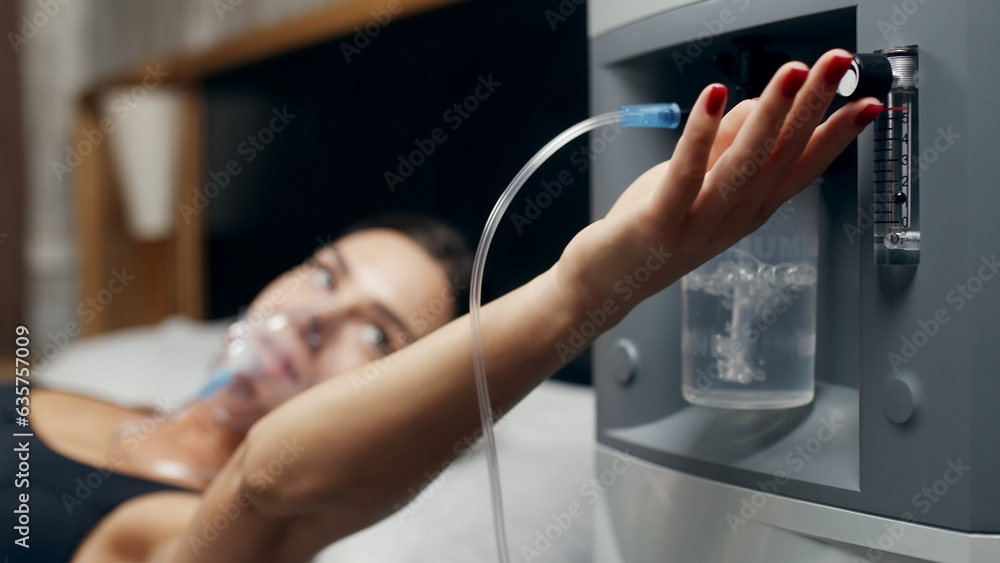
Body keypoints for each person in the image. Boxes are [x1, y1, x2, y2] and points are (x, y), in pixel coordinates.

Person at [4, 50, 882, 562]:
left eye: (375, 334)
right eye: (324, 273)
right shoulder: (87, 393)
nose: (316, 316)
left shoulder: (187, 522)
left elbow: (270, 482)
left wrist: (588, 291)